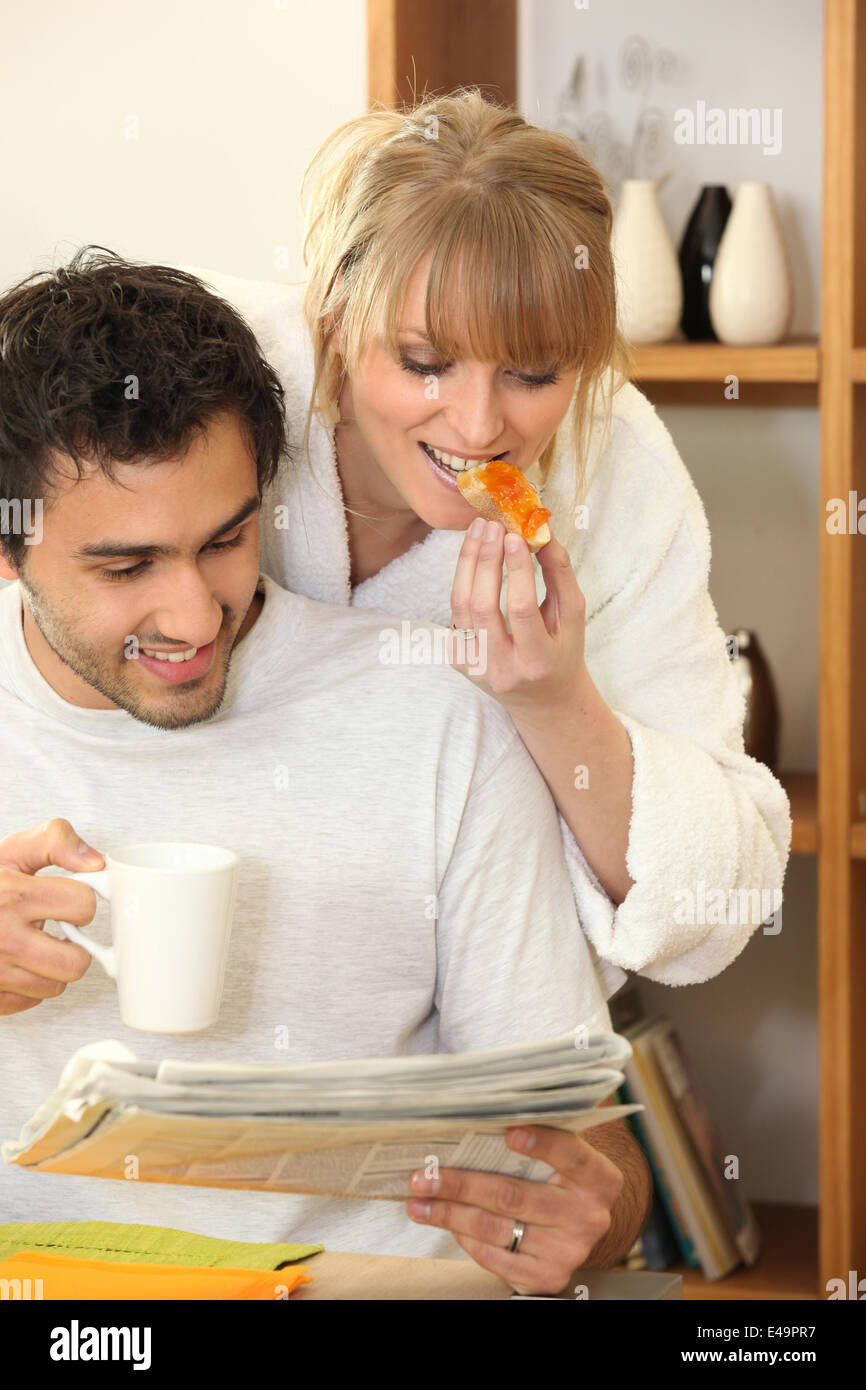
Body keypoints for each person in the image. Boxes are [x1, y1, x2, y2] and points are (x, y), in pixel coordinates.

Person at [0, 250, 651, 1296]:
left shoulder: (440, 718)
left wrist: (593, 1215)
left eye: (225, 540)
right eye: (125, 568)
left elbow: (594, 1159)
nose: (193, 615)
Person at [183, 87, 792, 997]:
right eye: (424, 363)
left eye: (534, 372)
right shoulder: (219, 386)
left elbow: (717, 897)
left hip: (486, 1034)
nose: (476, 426)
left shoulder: (613, 462)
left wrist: (555, 703)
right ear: (339, 311)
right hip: (199, 995)